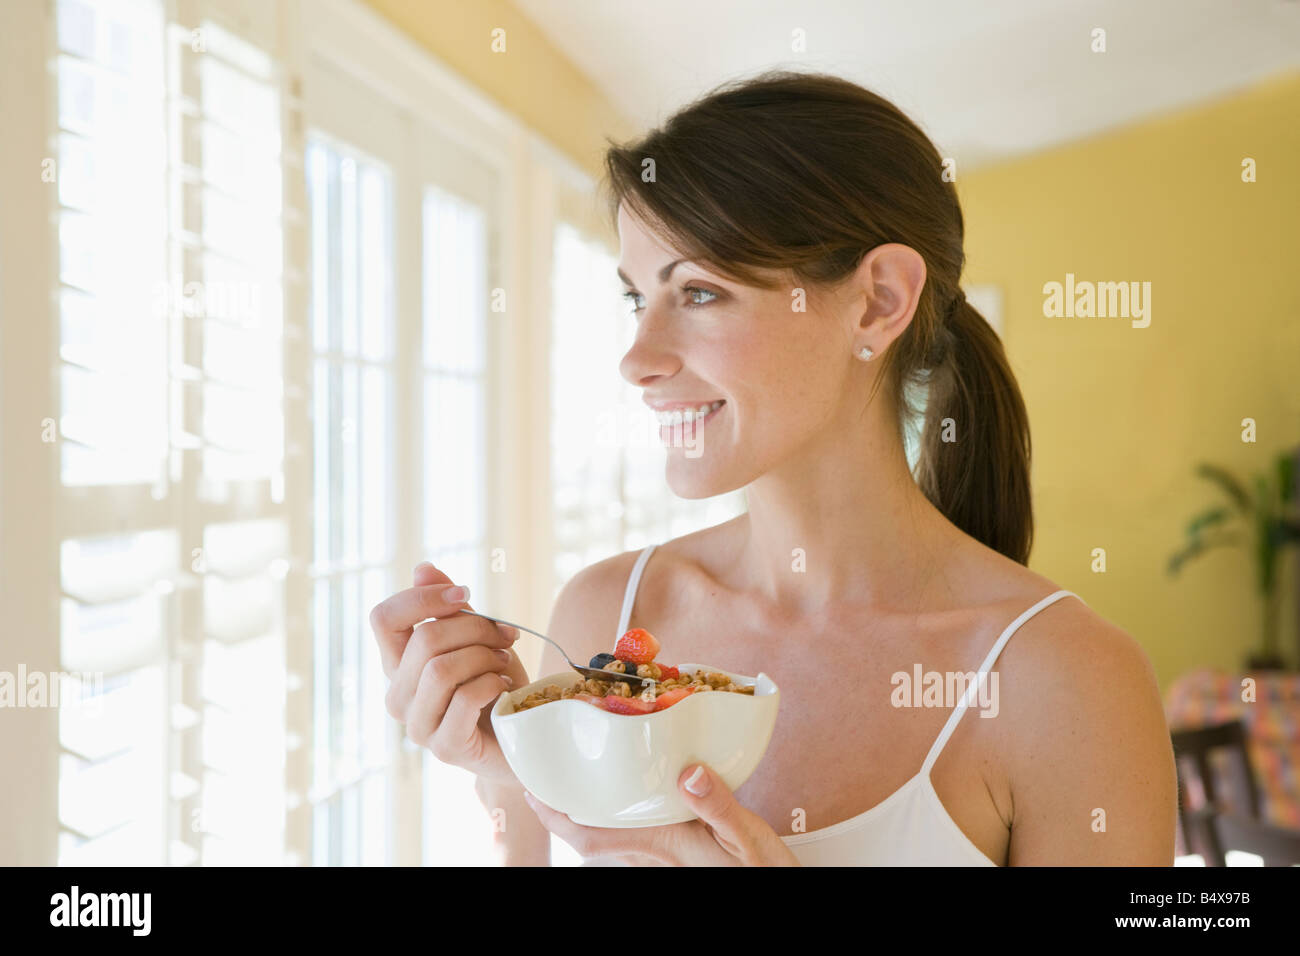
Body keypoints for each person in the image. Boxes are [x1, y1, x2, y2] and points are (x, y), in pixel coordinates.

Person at [370, 70, 1177, 866]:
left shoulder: (1069, 682)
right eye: (635, 298)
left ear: (878, 302)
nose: (637, 359)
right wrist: (516, 774)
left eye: (697, 293)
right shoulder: (601, 619)